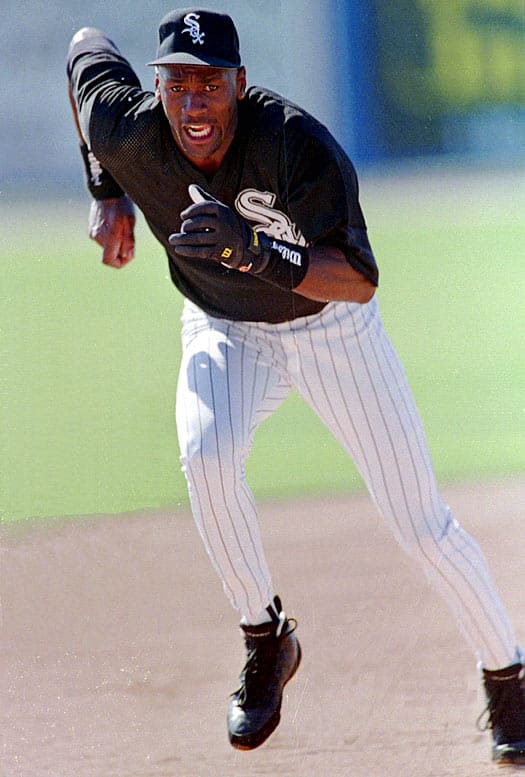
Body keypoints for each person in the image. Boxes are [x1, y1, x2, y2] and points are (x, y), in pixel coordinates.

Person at [66, 8, 525, 761]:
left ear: (239, 85)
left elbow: (359, 281)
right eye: (176, 83)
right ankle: (265, 636)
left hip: (329, 332)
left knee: (419, 524)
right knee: (205, 456)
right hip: (221, 325)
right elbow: (84, 48)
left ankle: (505, 674)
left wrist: (257, 254)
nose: (191, 104)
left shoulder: (294, 144)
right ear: (157, 87)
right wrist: (105, 189)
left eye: (208, 84)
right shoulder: (127, 128)